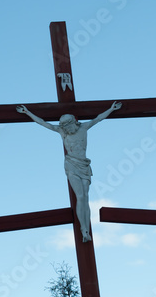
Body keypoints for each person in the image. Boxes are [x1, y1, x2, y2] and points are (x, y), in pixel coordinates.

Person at [15, 101, 121, 242]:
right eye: (64, 127)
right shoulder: (62, 132)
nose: (67, 129)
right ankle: (83, 230)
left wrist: (111, 109)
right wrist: (27, 112)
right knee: (80, 197)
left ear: (74, 122)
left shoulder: (83, 127)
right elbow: (42, 123)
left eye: (68, 126)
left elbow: (99, 118)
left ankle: (87, 229)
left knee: (86, 198)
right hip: (71, 165)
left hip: (84, 165)